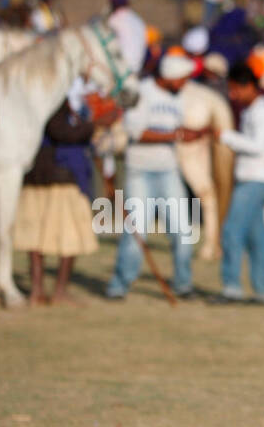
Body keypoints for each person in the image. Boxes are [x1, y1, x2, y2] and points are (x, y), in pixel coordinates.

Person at [106, 53, 207, 300]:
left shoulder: (178, 97)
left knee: (183, 230)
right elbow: (136, 132)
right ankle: (119, 285)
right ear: (170, 77)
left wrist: (187, 133)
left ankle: (183, 284)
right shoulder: (141, 93)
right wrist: (178, 136)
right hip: (140, 171)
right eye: (183, 79)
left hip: (169, 170)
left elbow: (173, 130)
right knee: (137, 232)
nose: (186, 83)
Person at [13, 82, 115, 305]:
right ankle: (47, 291)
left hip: (48, 173)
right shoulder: (52, 100)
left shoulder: (55, 101)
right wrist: (96, 124)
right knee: (65, 235)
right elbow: (61, 132)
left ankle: (45, 291)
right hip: (58, 174)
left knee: (40, 236)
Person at [209, 63, 264, 305]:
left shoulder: (263, 112)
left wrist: (226, 137)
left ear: (248, 86)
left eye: (235, 90)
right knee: (255, 238)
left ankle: (231, 287)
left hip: (255, 180)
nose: (232, 96)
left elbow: (261, 146)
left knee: (231, 231)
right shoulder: (252, 110)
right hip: (253, 178)